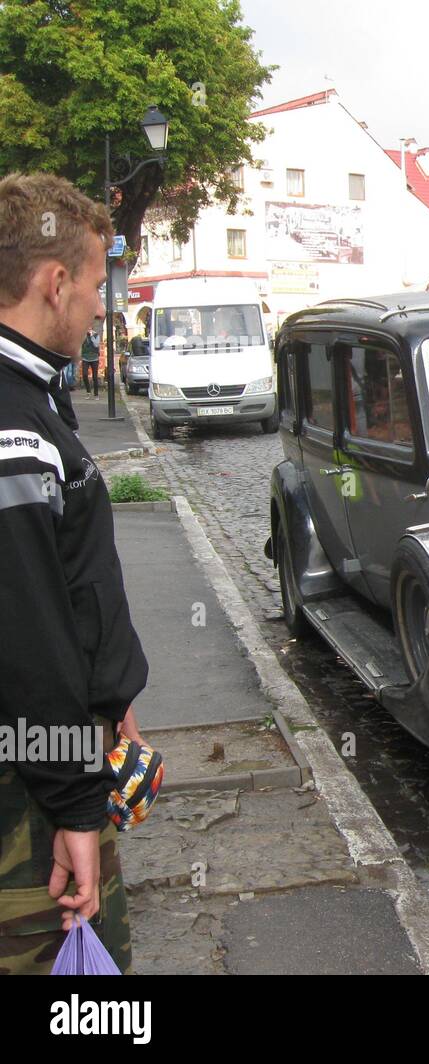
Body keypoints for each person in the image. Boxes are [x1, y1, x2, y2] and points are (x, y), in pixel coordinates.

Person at [0, 172, 149, 975]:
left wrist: (111, 694)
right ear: (54, 283)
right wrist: (75, 805)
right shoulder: (13, 426)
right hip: (30, 796)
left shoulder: (30, 396)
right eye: (95, 285)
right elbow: (25, 635)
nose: (101, 306)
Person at [80, 326, 99, 396]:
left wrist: (91, 336)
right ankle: (88, 390)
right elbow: (81, 344)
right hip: (85, 358)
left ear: (92, 329)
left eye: (90, 329)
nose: (88, 330)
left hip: (94, 358)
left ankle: (96, 393)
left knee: (95, 376)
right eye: (87, 328)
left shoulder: (96, 335)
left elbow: (96, 345)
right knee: (84, 374)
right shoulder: (83, 335)